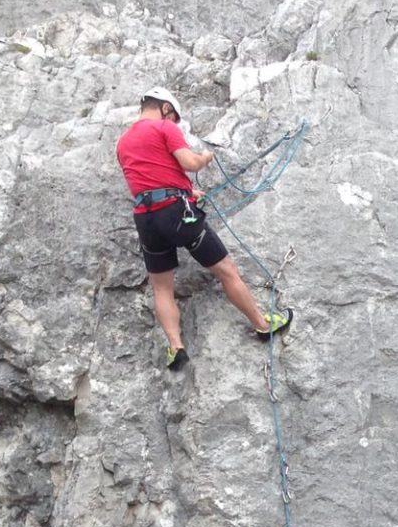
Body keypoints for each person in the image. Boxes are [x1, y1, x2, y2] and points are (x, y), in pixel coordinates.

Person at [115, 88, 291, 370]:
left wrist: (185, 191)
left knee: (161, 287)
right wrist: (205, 157)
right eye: (172, 117)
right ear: (165, 109)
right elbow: (188, 162)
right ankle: (262, 324)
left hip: (145, 217)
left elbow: (149, 178)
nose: (173, 123)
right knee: (226, 269)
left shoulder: (123, 142)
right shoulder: (163, 127)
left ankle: (176, 348)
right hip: (175, 212)